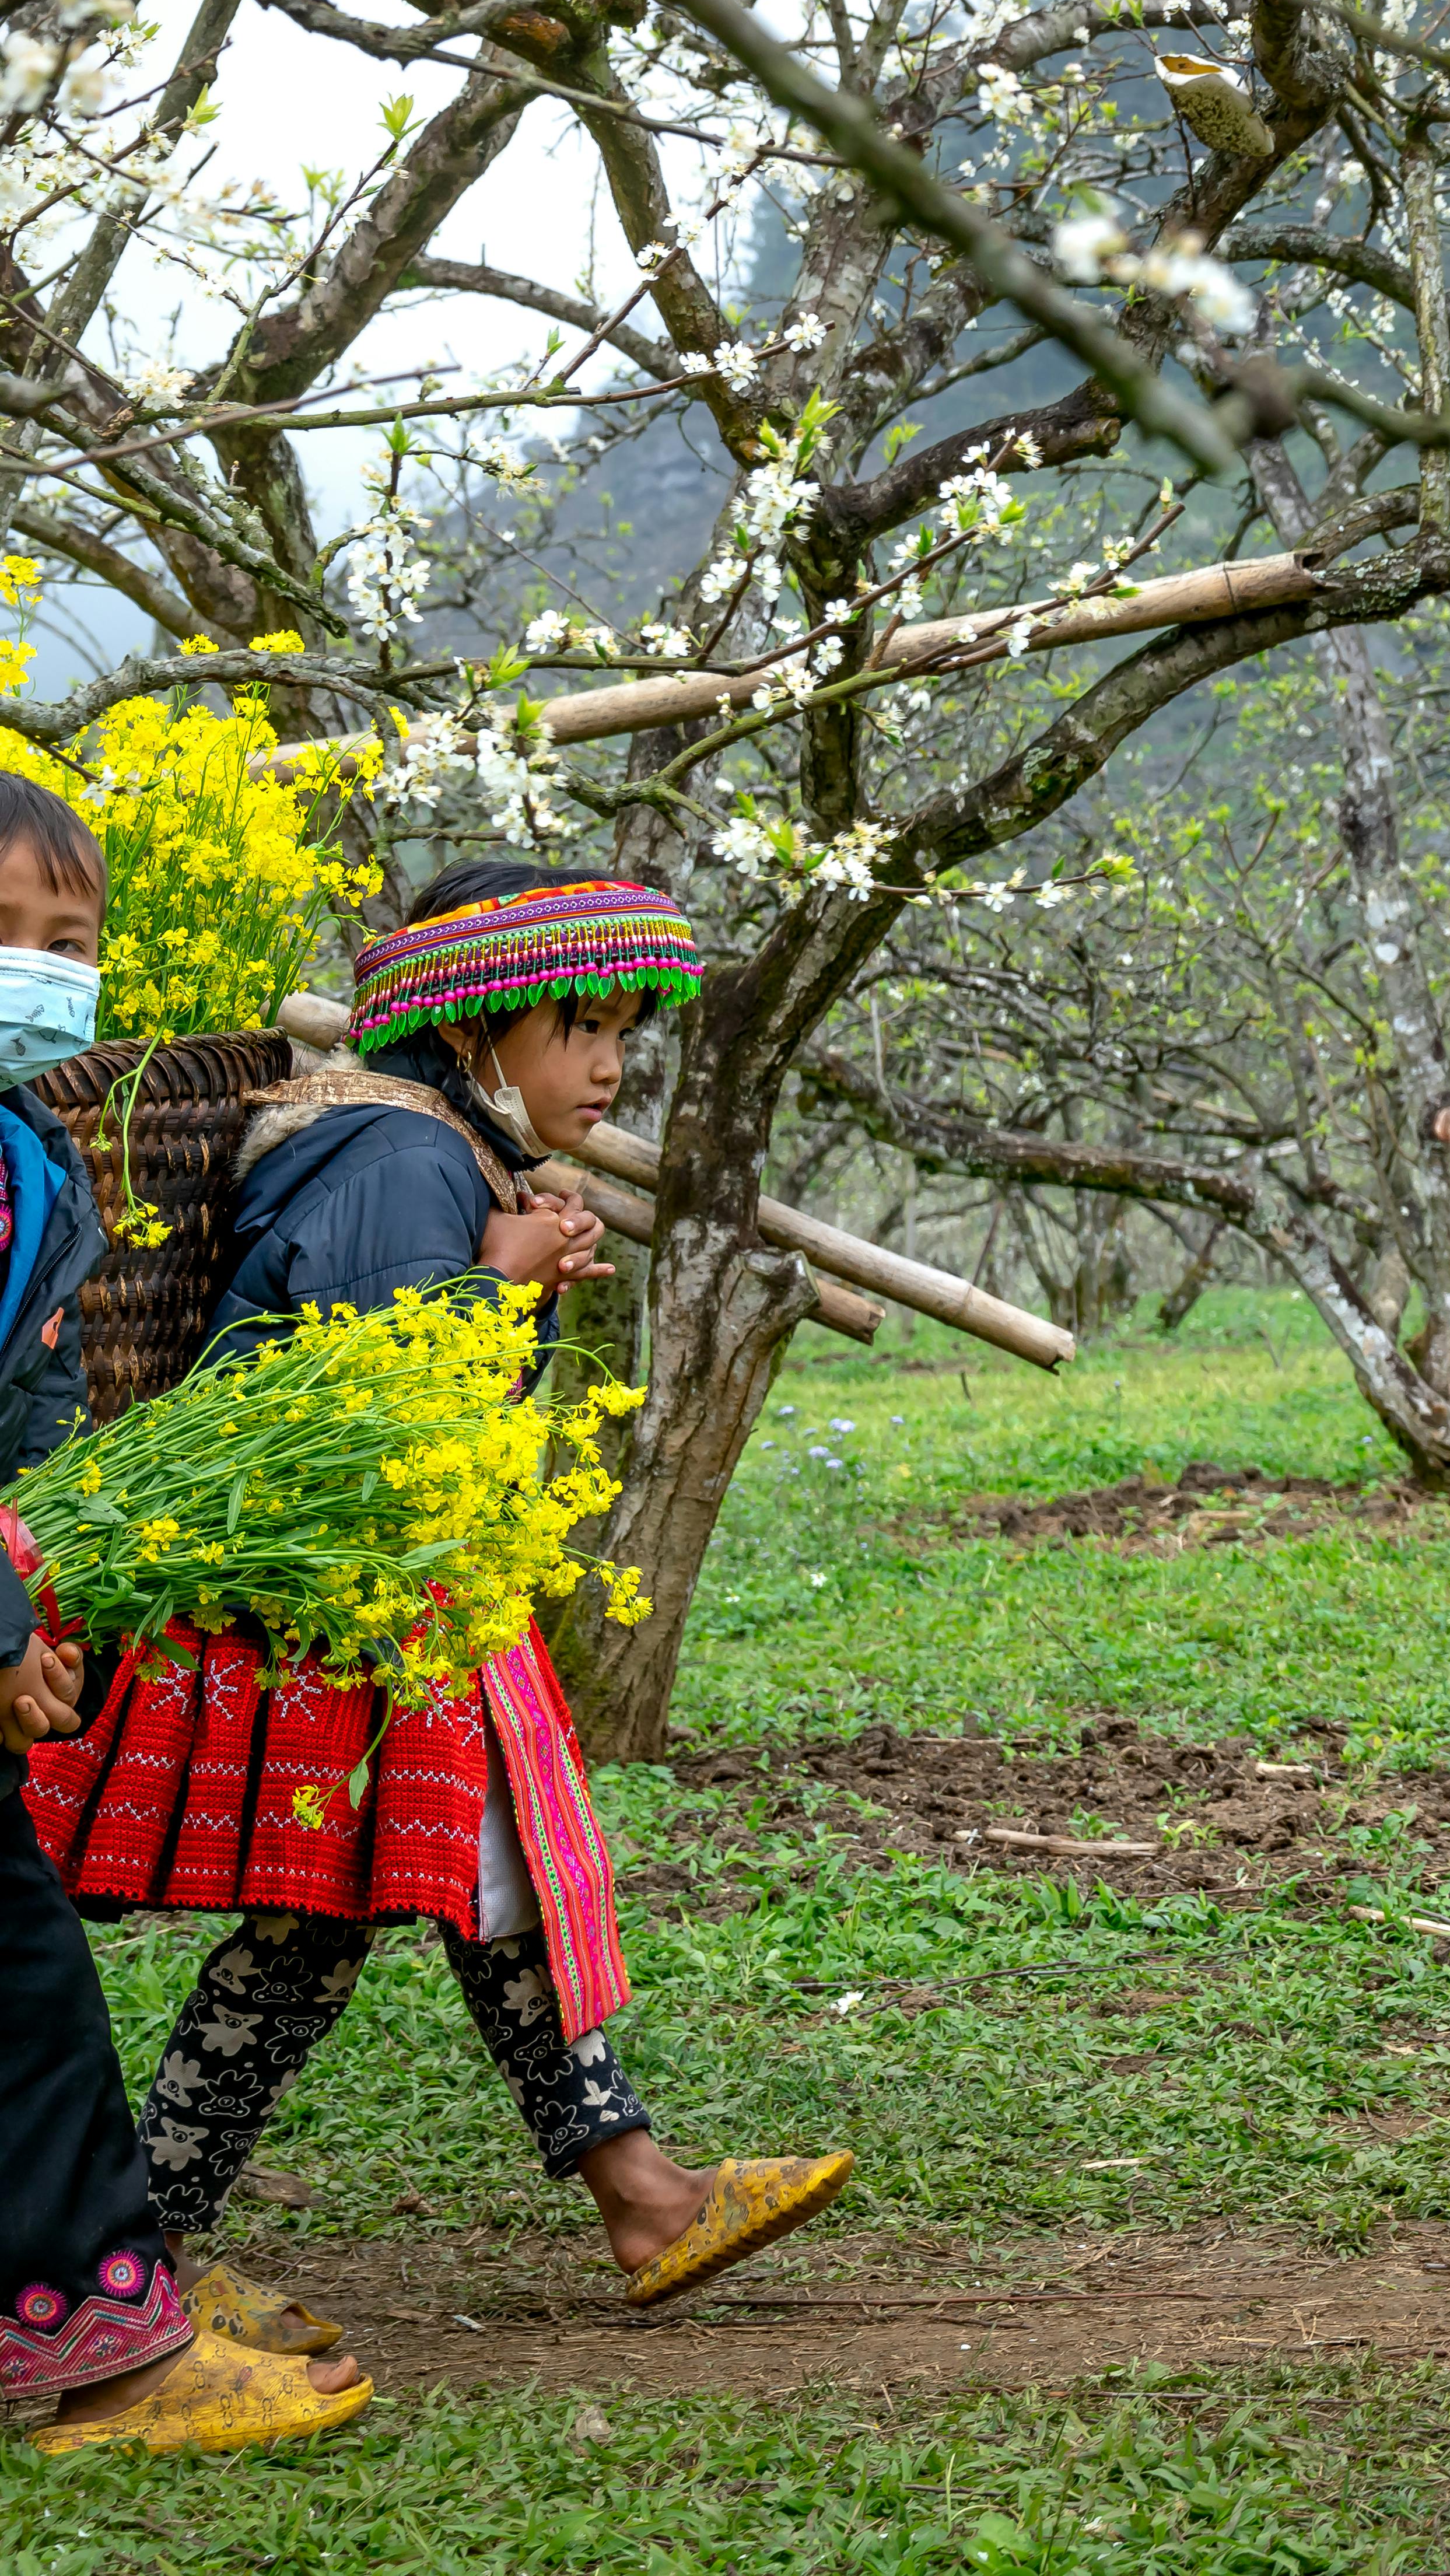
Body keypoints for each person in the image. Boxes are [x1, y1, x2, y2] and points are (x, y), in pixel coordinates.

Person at [22, 860, 851, 2340]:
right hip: (323, 1609)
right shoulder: (400, 1160)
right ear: (476, 1034)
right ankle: (616, 2194)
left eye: (623, 1034)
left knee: (375, 1909)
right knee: (405, 1895)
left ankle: (621, 2190)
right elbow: (366, 1400)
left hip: (372, 1606)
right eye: (580, 1028)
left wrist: (512, 1266)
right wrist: (500, 1283)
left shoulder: (438, 1152)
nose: (607, 1066)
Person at [0, 773, 370, 2451]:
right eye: (0, 933)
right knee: (21, 1978)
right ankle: (105, 2352)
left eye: (64, 942)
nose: (36, 968)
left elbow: (27, 1422)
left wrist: (28, 1613)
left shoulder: (28, 1153)